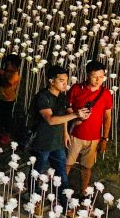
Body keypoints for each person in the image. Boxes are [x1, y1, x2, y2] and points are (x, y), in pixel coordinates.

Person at [27, 65, 89, 200]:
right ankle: (33, 197)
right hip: (42, 141)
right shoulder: (42, 97)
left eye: (66, 80)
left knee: (61, 173)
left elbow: (64, 114)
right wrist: (75, 115)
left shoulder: (62, 96)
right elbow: (51, 119)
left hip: (57, 142)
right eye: (61, 80)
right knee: (37, 171)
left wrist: (67, 131)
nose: (65, 84)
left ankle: (64, 201)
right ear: (51, 81)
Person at [65, 60, 114, 196]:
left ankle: (83, 192)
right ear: (87, 75)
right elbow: (67, 108)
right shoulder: (76, 89)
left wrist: (105, 138)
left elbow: (107, 117)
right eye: (94, 76)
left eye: (101, 76)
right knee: (67, 163)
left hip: (94, 137)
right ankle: (60, 186)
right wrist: (75, 117)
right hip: (75, 134)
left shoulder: (106, 94)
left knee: (87, 167)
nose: (98, 80)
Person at [0, 54, 22, 143]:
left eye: (8, 64)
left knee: (7, 117)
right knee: (0, 112)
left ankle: (7, 134)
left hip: (8, 99)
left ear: (14, 66)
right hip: (0, 97)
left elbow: (7, 85)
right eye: (6, 63)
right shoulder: (4, 71)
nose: (6, 65)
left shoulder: (15, 75)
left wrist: (2, 75)